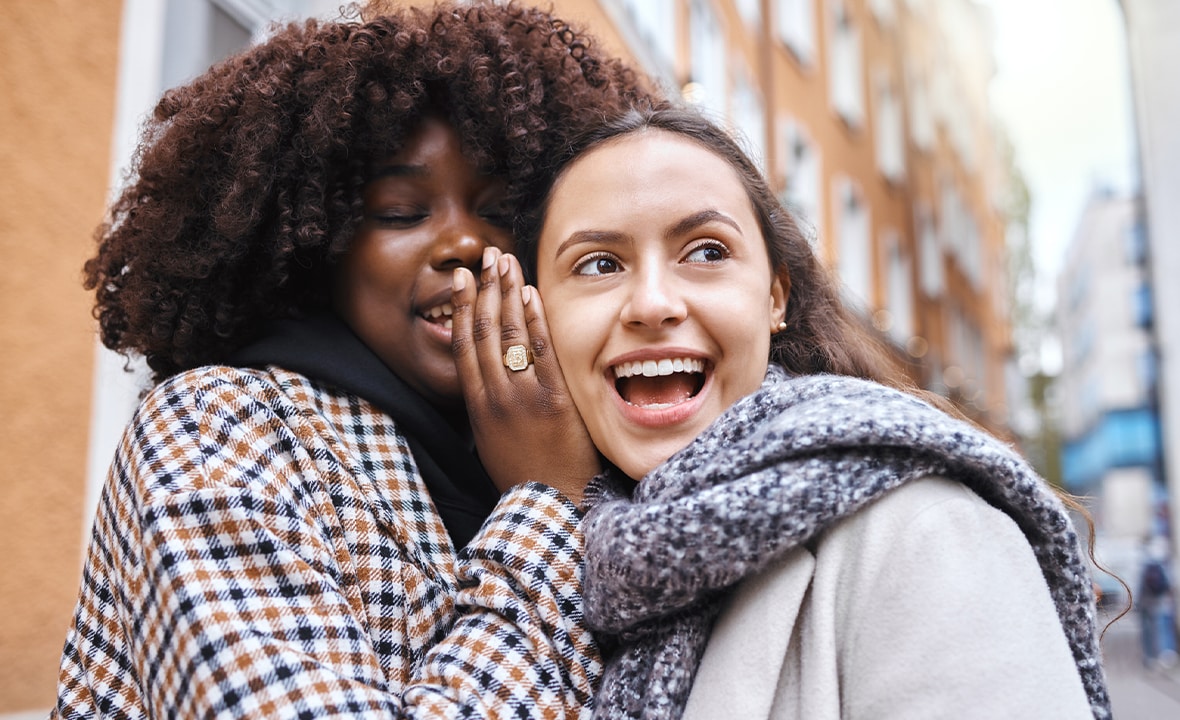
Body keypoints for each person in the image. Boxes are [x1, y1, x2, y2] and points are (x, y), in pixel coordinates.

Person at [53, 2, 658, 717]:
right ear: (319, 246)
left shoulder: (615, 443)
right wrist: (548, 504)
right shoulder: (217, 429)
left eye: (500, 208)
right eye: (402, 211)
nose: (463, 242)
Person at [453, 106, 1112, 719]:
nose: (652, 303)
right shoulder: (569, 557)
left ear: (774, 297)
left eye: (706, 252)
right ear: (530, 312)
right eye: (599, 264)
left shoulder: (925, 532)